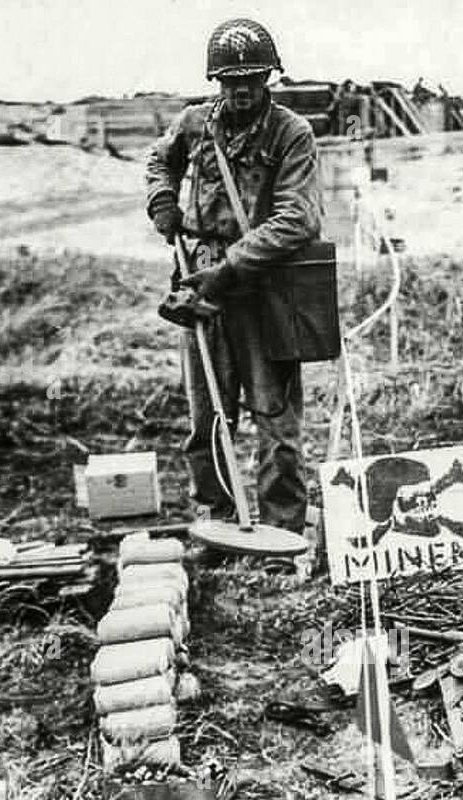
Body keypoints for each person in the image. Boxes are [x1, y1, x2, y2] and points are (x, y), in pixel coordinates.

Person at [145, 18, 323, 537]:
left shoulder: (292, 132)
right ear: (216, 82)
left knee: (276, 420)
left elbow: (298, 219)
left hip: (266, 287)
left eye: (252, 79)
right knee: (208, 417)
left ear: (270, 77)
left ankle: (283, 527)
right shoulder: (195, 124)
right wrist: (162, 201)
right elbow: (159, 160)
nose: (241, 90)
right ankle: (219, 520)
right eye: (230, 81)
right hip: (202, 287)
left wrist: (229, 270)